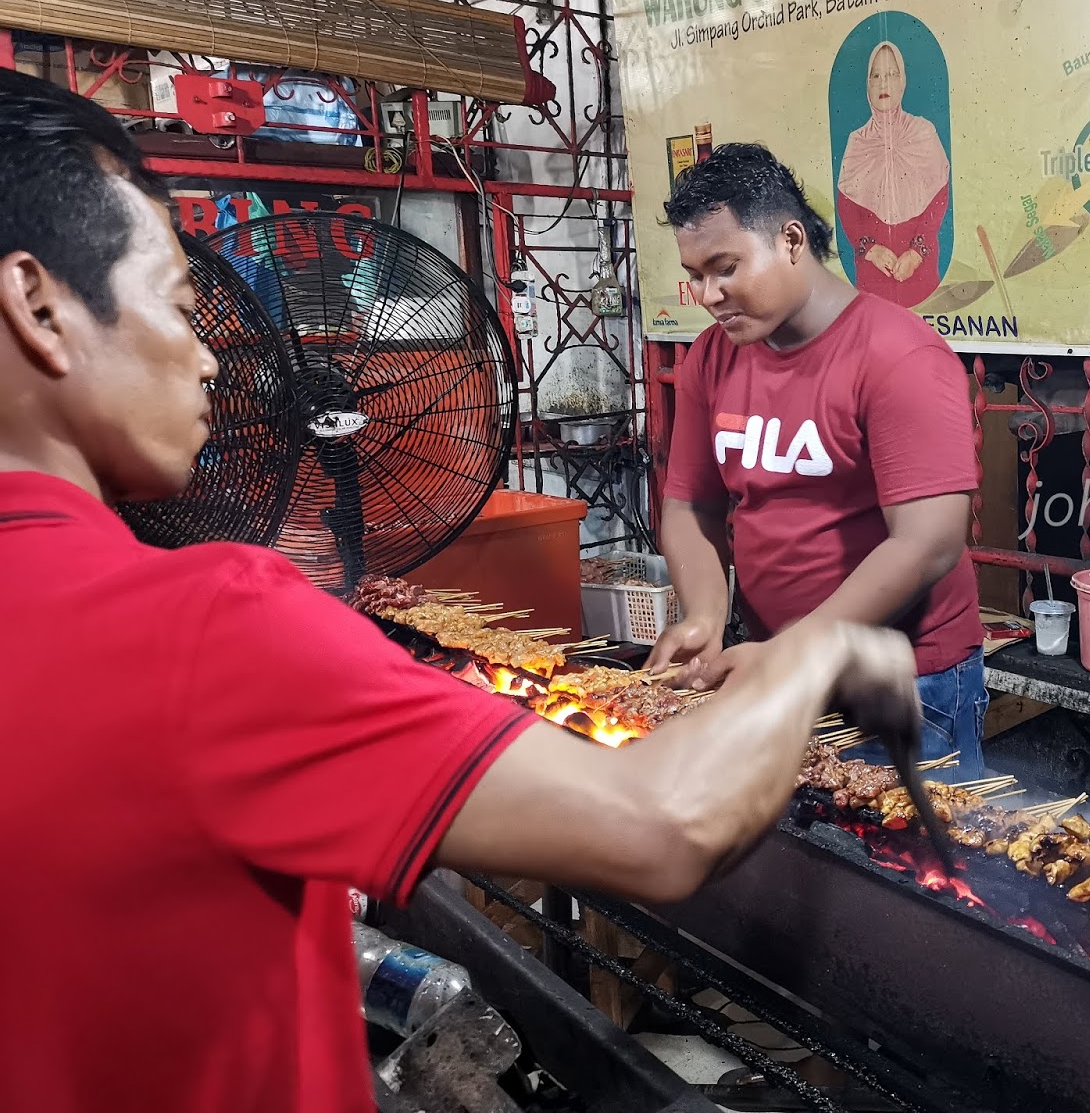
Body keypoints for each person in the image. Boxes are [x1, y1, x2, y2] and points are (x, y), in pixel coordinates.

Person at [0, 69, 924, 1113]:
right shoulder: (203, 623)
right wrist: (814, 651)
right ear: (38, 305)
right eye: (180, 304)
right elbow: (664, 826)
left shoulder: (894, 353)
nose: (214, 356)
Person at [644, 143, 989, 780]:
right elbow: (691, 504)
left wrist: (797, 649)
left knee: (912, 874)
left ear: (792, 240)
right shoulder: (711, 360)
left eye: (725, 267)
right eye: (695, 275)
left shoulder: (898, 357)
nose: (709, 295)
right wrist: (705, 616)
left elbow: (927, 543)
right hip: (779, 666)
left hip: (903, 677)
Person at [834, 41, 951, 308]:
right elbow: (847, 207)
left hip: (919, 272)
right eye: (875, 76)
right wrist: (872, 251)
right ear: (867, 85)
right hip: (874, 275)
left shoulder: (923, 132)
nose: (883, 84)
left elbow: (939, 197)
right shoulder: (857, 141)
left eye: (891, 75)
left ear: (902, 82)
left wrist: (916, 253)